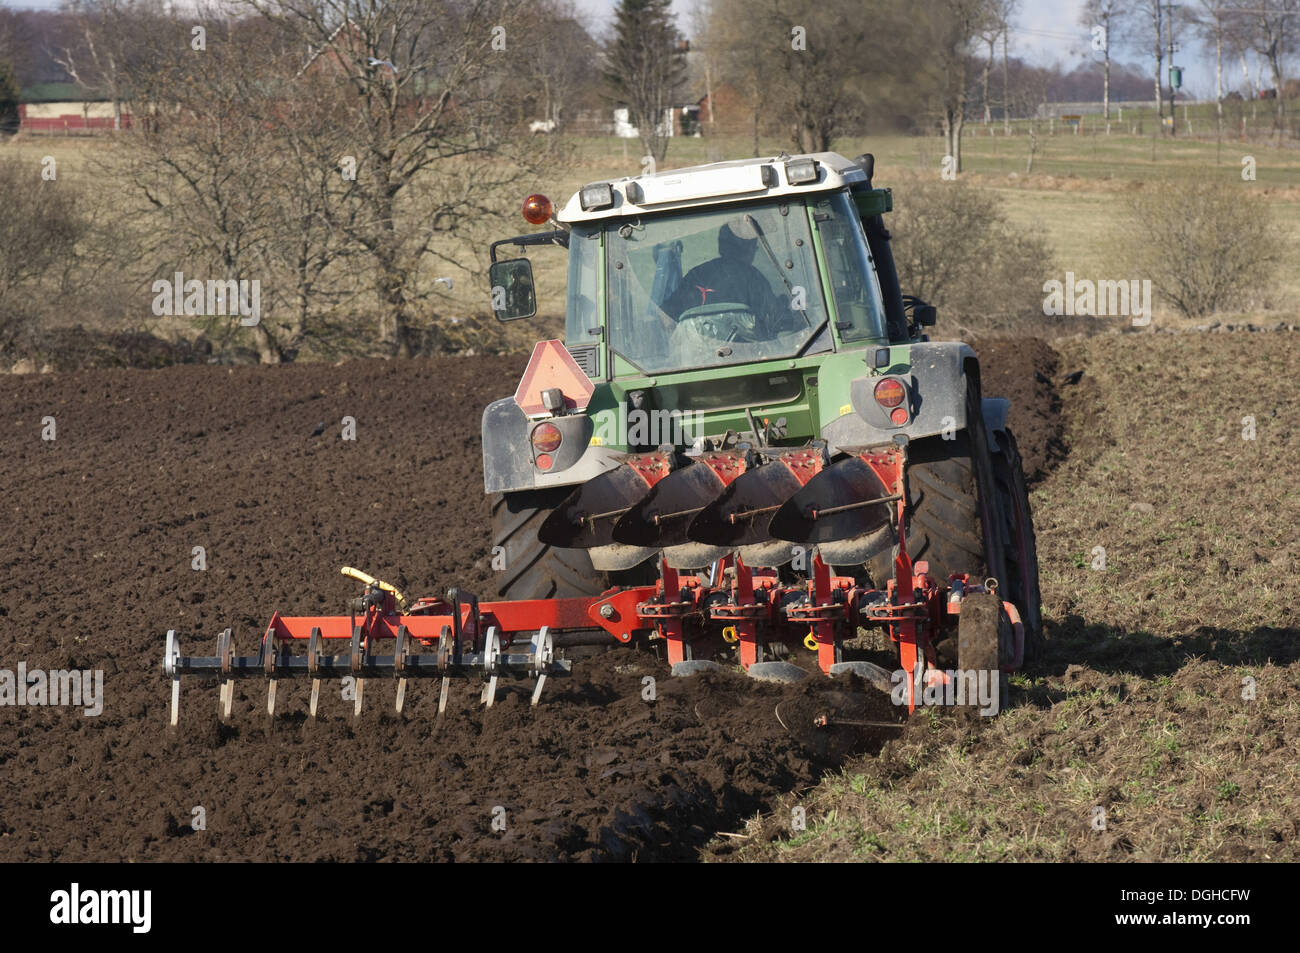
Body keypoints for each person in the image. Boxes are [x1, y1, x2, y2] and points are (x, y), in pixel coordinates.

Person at [660, 217, 789, 335]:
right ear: (749, 249)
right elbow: (777, 319)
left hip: (699, 357)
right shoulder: (754, 278)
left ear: (721, 246)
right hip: (746, 354)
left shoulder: (695, 275)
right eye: (754, 247)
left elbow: (666, 318)